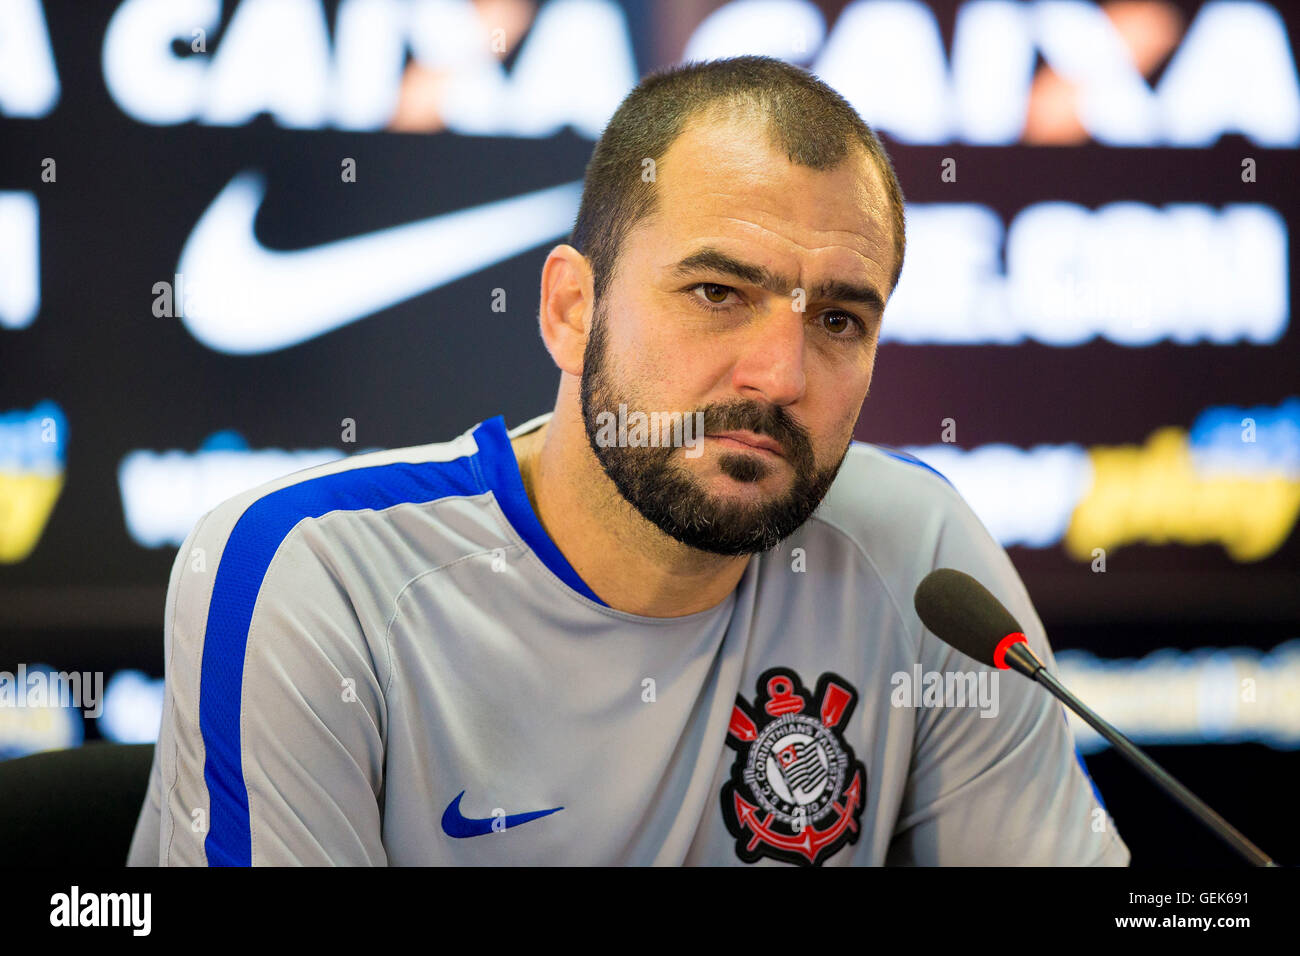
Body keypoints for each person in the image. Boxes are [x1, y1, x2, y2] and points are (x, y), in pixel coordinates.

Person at [127, 55, 1129, 866]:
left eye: (837, 317)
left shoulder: (918, 557)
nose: (780, 374)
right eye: (716, 292)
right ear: (572, 308)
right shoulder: (311, 574)